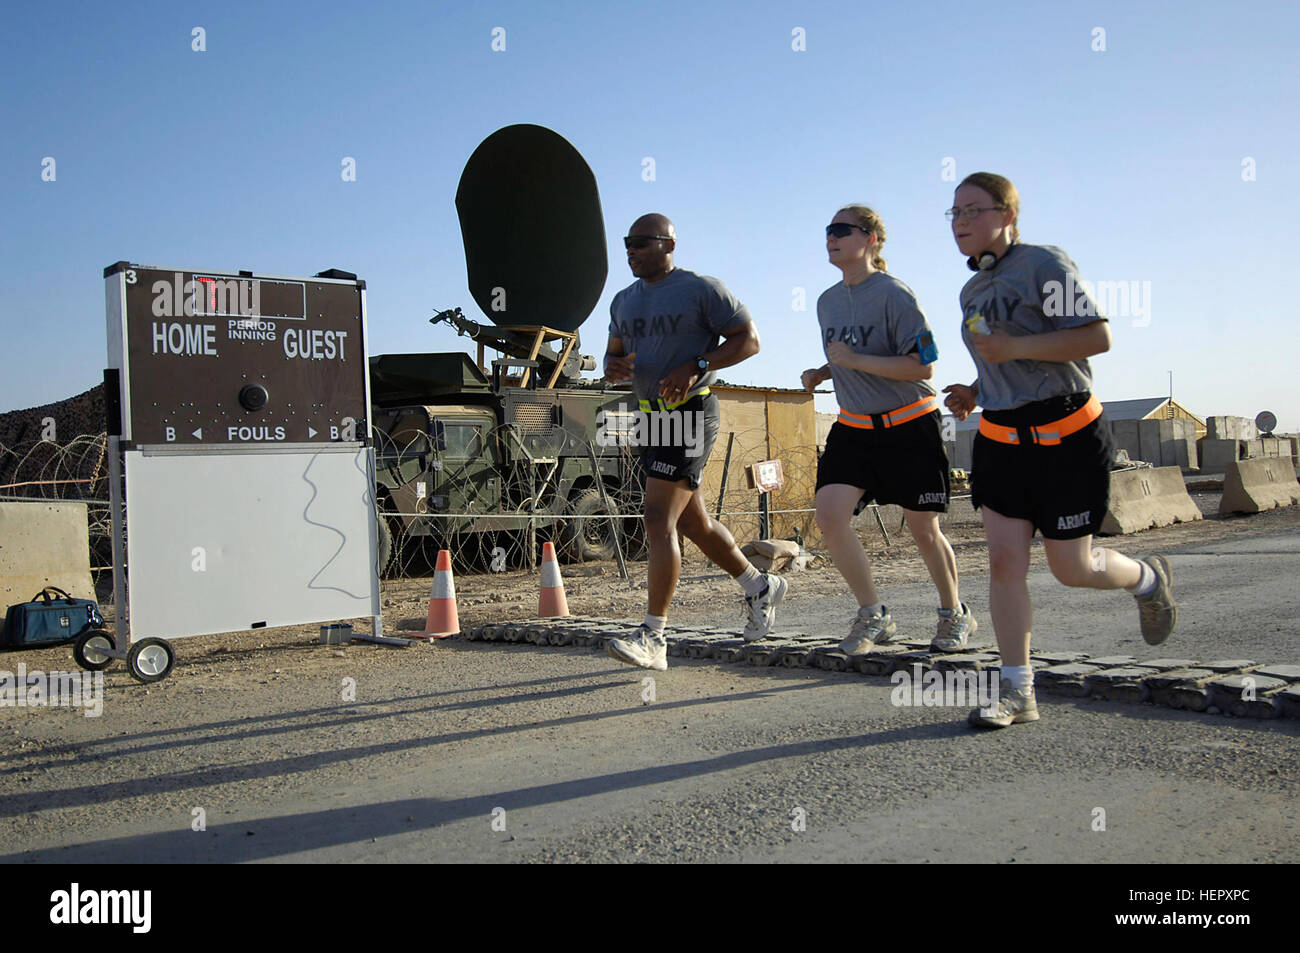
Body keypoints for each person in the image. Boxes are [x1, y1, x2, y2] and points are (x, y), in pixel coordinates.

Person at [941, 172, 1176, 729]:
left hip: (1066, 434)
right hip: (1001, 438)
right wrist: (976, 389)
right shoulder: (971, 291)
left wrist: (1013, 346)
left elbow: (1096, 336)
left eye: (972, 209)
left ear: (1008, 215)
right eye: (953, 213)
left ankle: (1147, 580)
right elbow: (995, 356)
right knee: (1003, 563)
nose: (960, 222)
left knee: (1072, 568)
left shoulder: (1043, 264)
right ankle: (1018, 691)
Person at [602, 213, 788, 671]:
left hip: (691, 412)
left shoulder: (703, 289)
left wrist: (697, 362)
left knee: (656, 518)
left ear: (669, 244)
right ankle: (758, 586)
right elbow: (613, 353)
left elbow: (750, 340)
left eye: (642, 242)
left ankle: (653, 636)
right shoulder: (623, 301)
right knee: (692, 525)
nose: (631, 249)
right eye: (628, 242)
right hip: (650, 419)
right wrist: (614, 367)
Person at [801, 206, 976, 657]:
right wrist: (824, 370)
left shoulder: (896, 295)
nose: (831, 238)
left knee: (922, 529)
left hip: (909, 425)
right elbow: (851, 353)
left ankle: (954, 613)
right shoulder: (826, 301)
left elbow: (925, 364)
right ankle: (873, 614)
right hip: (855, 428)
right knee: (830, 516)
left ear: (872, 238)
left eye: (842, 230)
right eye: (828, 230)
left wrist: (852, 361)